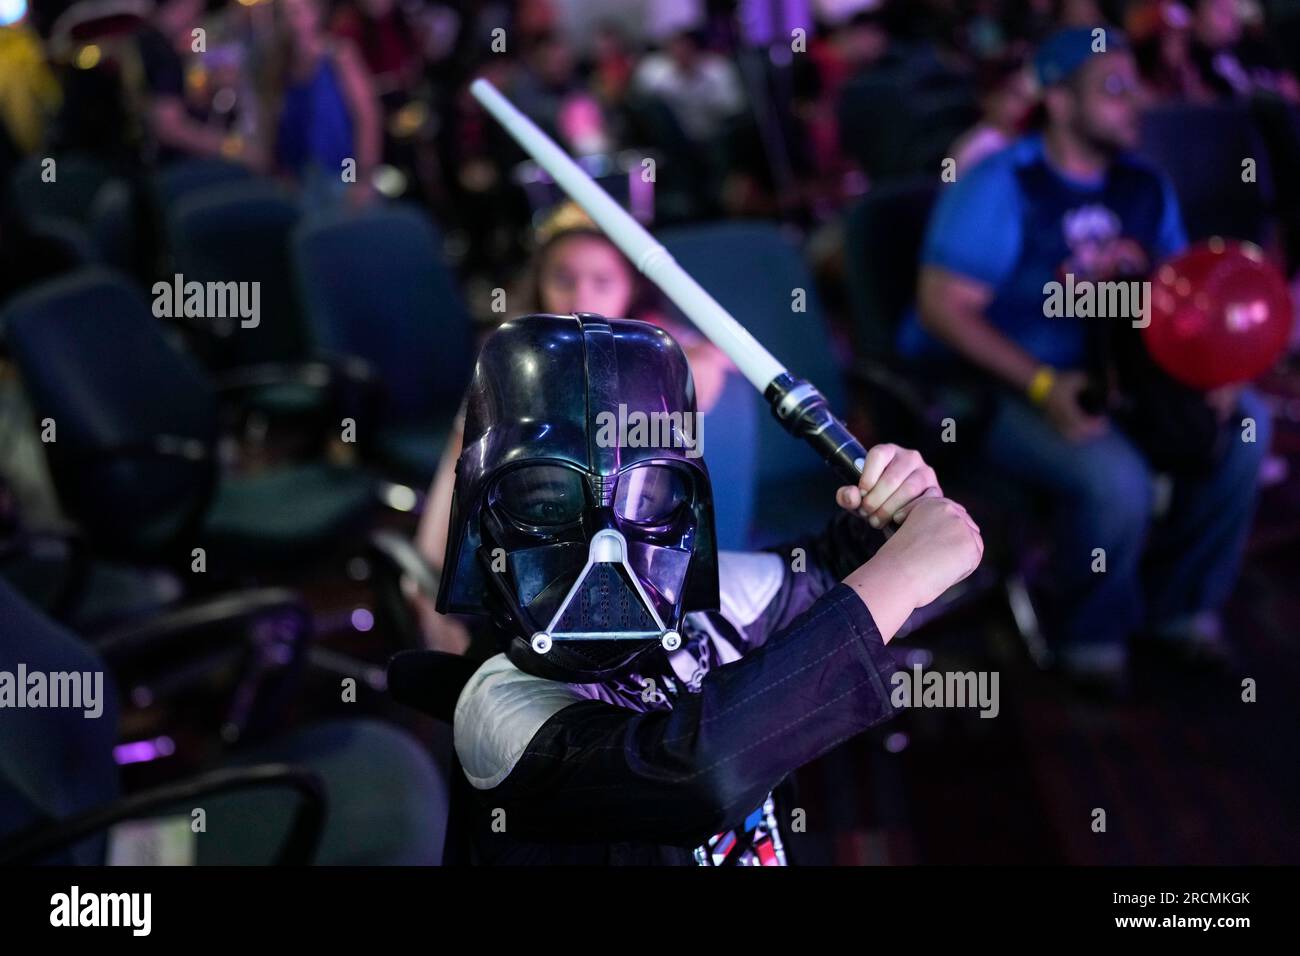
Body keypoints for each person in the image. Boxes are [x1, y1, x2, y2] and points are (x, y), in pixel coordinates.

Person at [434, 312, 983, 864]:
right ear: (486, 518)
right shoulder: (496, 714)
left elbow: (830, 577)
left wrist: (887, 521)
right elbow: (695, 778)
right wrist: (903, 573)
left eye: (644, 493)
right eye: (550, 498)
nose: (606, 544)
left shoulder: (704, 609)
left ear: (686, 502)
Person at [899, 27, 1271, 691]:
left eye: (1137, 88)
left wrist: (1214, 370)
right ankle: (1086, 638)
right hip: (1002, 382)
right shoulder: (1002, 183)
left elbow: (1177, 298)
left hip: (1119, 373)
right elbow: (942, 308)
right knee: (1115, 478)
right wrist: (1043, 384)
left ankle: (1180, 611)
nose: (1136, 104)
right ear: (1062, 103)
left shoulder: (1143, 186)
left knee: (1249, 428)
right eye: (1115, 90)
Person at [410, 204, 733, 653]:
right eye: (563, 278)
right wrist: (427, 576)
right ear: (540, 281)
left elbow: (709, 363)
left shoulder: (655, 355)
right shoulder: (509, 365)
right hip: (534, 570)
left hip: (631, 583)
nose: (581, 296)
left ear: (631, 288)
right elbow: (458, 478)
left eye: (602, 281)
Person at [268, 0, 381, 208]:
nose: (292, 22)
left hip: (343, 175)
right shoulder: (280, 68)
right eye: (283, 15)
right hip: (302, 184)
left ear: (316, 13)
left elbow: (367, 117)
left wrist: (363, 179)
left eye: (297, 13)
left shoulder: (339, 56)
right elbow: (278, 129)